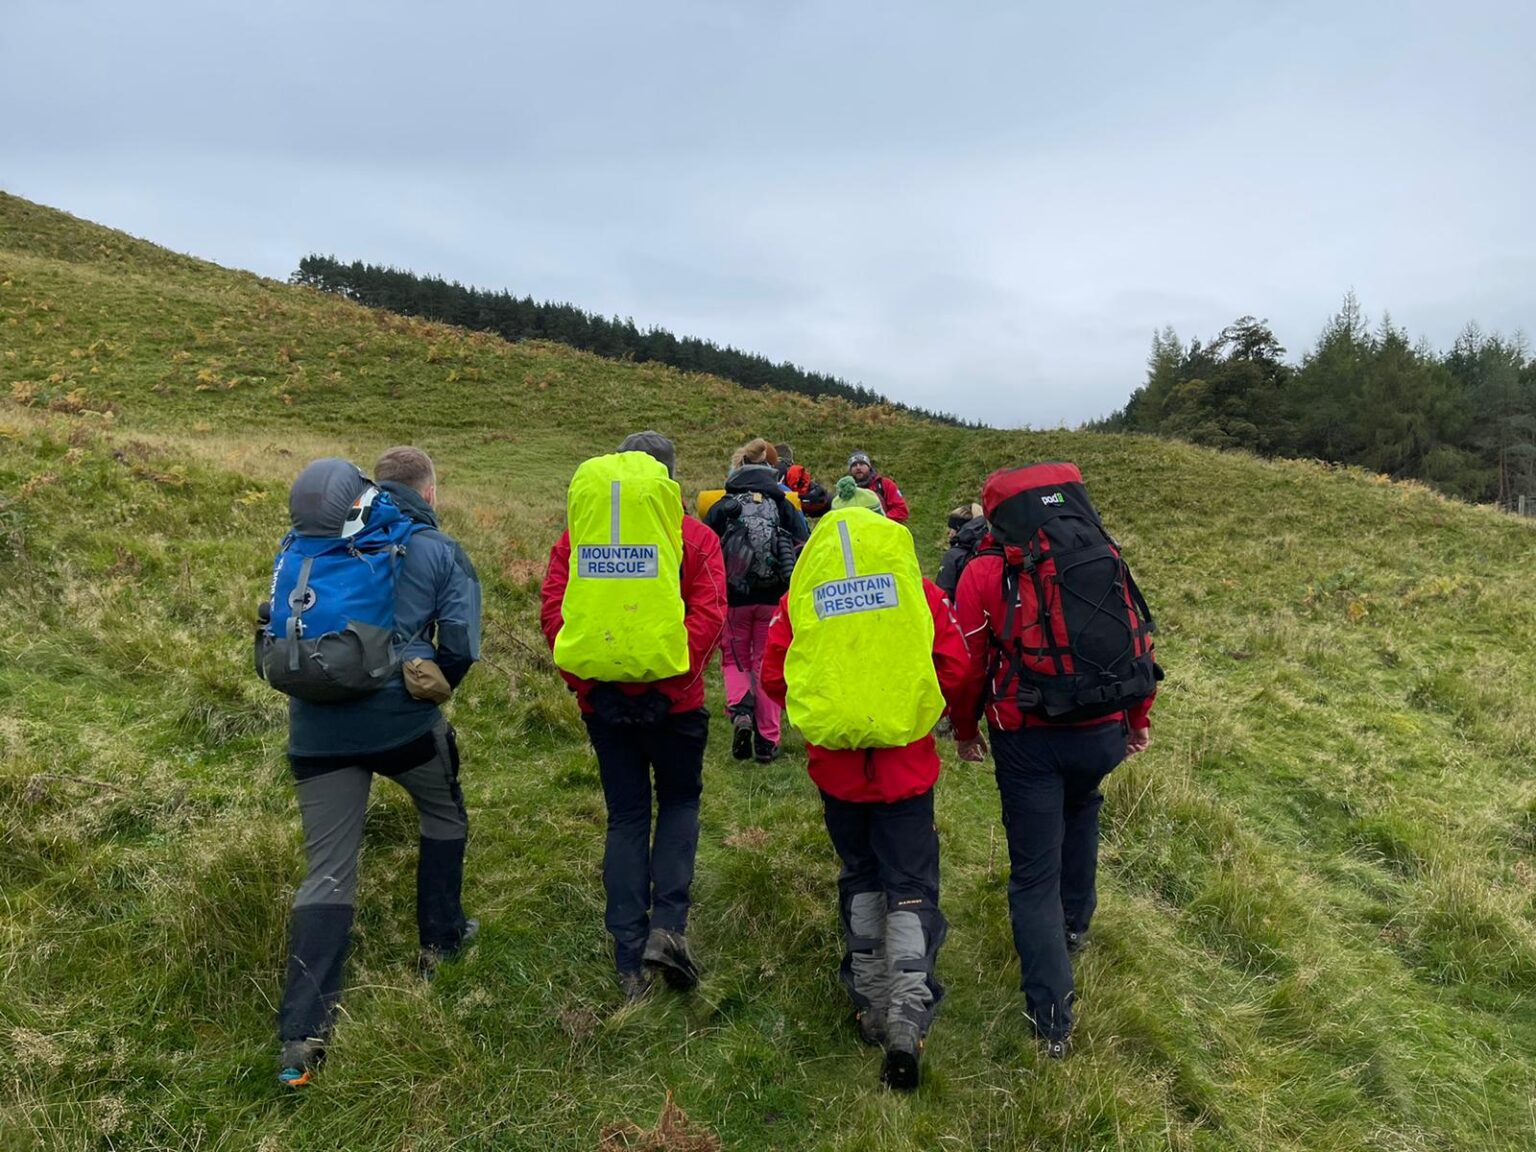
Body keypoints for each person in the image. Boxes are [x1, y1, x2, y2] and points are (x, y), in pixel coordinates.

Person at [268, 448, 481, 1088]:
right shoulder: (436, 547)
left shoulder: (305, 540)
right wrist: (435, 686)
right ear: (429, 490)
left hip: (315, 727)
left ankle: (302, 1038)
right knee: (443, 811)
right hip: (403, 727)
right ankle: (440, 941)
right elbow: (462, 645)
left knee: (328, 869)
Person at [950, 462, 1158, 1059]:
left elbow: (965, 666)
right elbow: (1135, 643)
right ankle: (1076, 924)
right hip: (1101, 732)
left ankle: (1051, 1017)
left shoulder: (986, 572)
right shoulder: (1103, 556)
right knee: (1084, 806)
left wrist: (965, 729)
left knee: (1032, 874)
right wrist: (1136, 719)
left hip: (1028, 736)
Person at [761, 505, 969, 1092]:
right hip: (906, 767)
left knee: (860, 873)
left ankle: (872, 1004)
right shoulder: (918, 591)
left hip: (838, 770)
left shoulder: (802, 598)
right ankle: (908, 1010)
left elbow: (774, 675)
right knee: (910, 884)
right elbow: (954, 666)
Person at [540, 432, 728, 1001]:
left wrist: (592, 688)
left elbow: (556, 614)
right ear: (668, 480)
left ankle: (628, 961)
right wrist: (669, 690)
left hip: (603, 706)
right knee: (679, 802)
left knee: (626, 816)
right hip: (678, 707)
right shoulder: (693, 536)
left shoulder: (578, 539)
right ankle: (667, 930)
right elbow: (710, 616)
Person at [703, 438, 809, 762]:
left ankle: (741, 709)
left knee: (735, 658)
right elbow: (804, 544)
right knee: (766, 661)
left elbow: (705, 549)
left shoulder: (721, 505)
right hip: (773, 599)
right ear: (770, 471)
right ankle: (768, 741)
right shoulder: (784, 504)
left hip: (735, 599)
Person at [936, 502, 987, 603]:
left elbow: (943, 592)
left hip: (959, 612)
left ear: (961, 529)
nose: (950, 533)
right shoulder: (986, 548)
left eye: (953, 529)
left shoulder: (953, 556)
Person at [846, 451, 909, 523]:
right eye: (854, 465)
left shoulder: (885, 484)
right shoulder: (845, 491)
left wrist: (878, 520)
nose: (858, 467)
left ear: (869, 467)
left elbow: (901, 510)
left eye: (862, 464)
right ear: (850, 470)